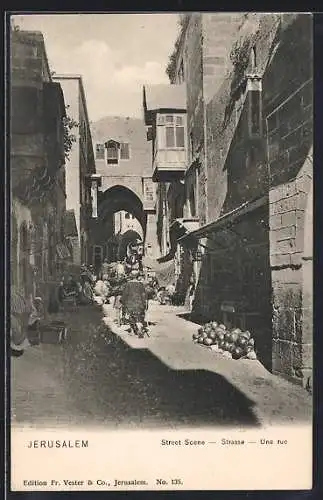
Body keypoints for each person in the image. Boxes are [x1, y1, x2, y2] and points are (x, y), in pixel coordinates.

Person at [121, 270, 148, 338]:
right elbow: (144, 295)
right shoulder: (141, 284)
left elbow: (125, 294)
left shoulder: (128, 284)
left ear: (131, 276)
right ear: (138, 276)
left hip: (130, 304)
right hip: (140, 303)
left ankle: (133, 331)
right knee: (139, 317)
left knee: (131, 317)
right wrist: (146, 303)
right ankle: (139, 327)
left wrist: (122, 301)